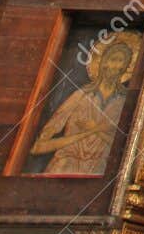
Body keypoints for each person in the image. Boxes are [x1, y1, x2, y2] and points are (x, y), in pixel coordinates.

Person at [28, 41, 135, 177]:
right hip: (67, 161)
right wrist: (46, 135)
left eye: (121, 62)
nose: (116, 66)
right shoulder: (81, 95)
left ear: (126, 67)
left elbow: (124, 144)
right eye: (113, 60)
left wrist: (95, 129)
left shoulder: (124, 101)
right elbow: (54, 125)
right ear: (103, 63)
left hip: (101, 166)